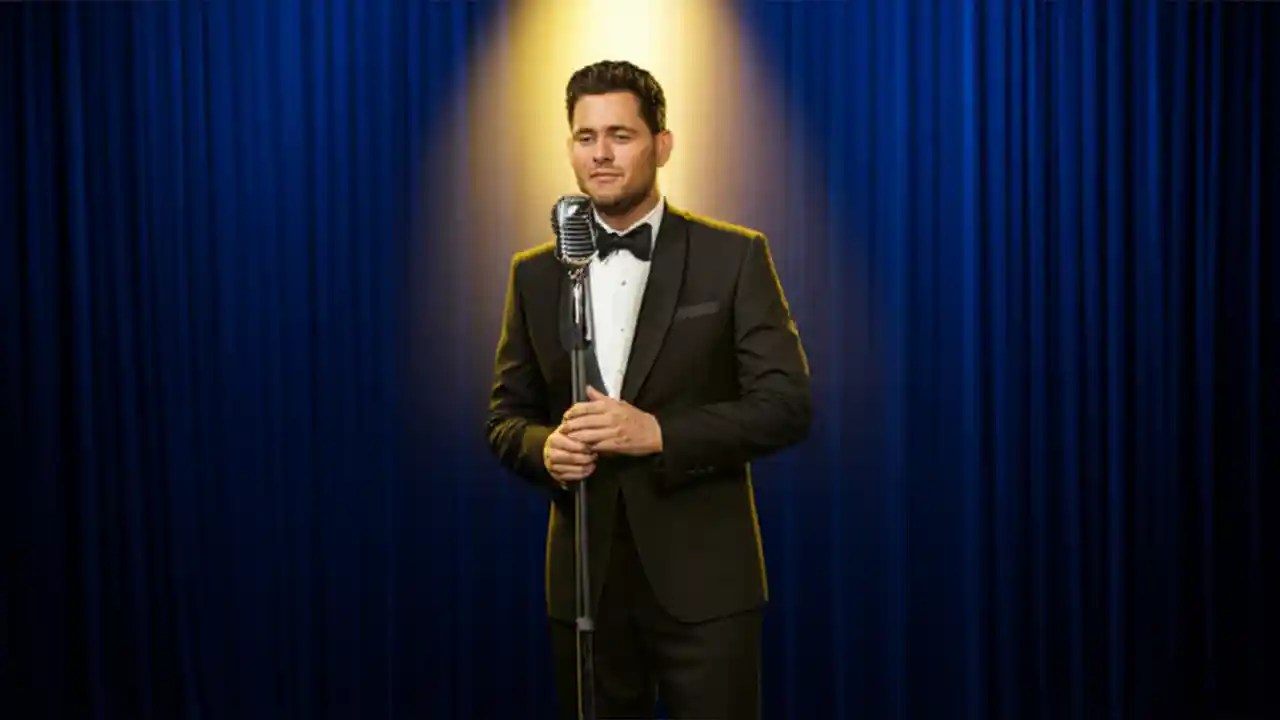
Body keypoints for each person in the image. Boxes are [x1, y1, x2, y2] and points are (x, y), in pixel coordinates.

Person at [486, 59, 812, 719]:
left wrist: (660, 433)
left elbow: (786, 405)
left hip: (707, 588)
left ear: (662, 144)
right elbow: (505, 419)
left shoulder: (735, 255)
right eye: (585, 137)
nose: (600, 154)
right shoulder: (536, 274)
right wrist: (545, 448)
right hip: (585, 589)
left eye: (620, 135)